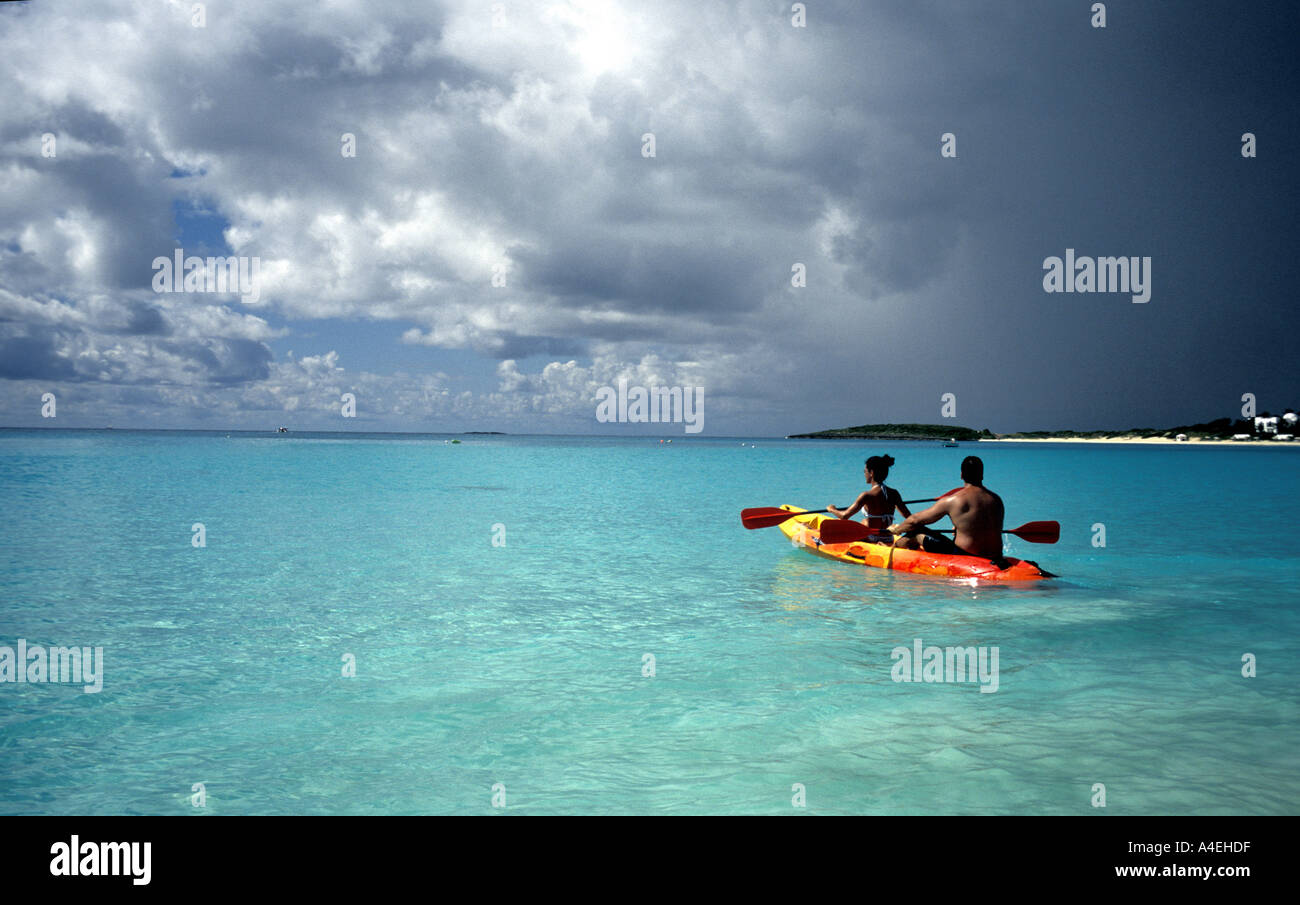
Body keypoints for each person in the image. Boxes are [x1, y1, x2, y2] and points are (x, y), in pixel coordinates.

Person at [889, 456, 1004, 558]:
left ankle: (890, 549)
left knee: (917, 531)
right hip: (996, 556)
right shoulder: (997, 499)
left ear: (961, 475)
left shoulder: (954, 500)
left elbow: (914, 521)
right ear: (982, 475)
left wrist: (896, 530)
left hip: (964, 556)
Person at [827, 454, 911, 543]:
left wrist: (832, 509)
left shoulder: (867, 495)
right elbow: (909, 517)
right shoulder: (894, 493)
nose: (864, 474)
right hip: (889, 538)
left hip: (871, 538)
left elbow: (844, 516)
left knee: (860, 523)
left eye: (865, 471)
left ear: (871, 473)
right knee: (864, 521)